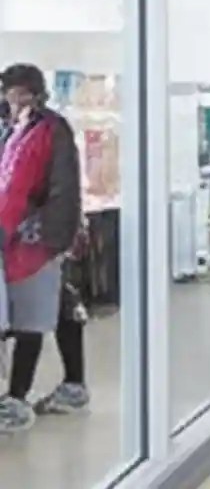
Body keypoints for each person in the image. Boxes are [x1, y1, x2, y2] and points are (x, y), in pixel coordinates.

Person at [0, 63, 89, 433]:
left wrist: (54, 235)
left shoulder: (47, 130)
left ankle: (17, 401)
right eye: (8, 91)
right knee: (58, 305)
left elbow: (38, 185)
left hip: (37, 237)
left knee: (31, 316)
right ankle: (72, 385)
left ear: (34, 93)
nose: (12, 98)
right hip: (26, 235)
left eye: (18, 92)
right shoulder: (18, 129)